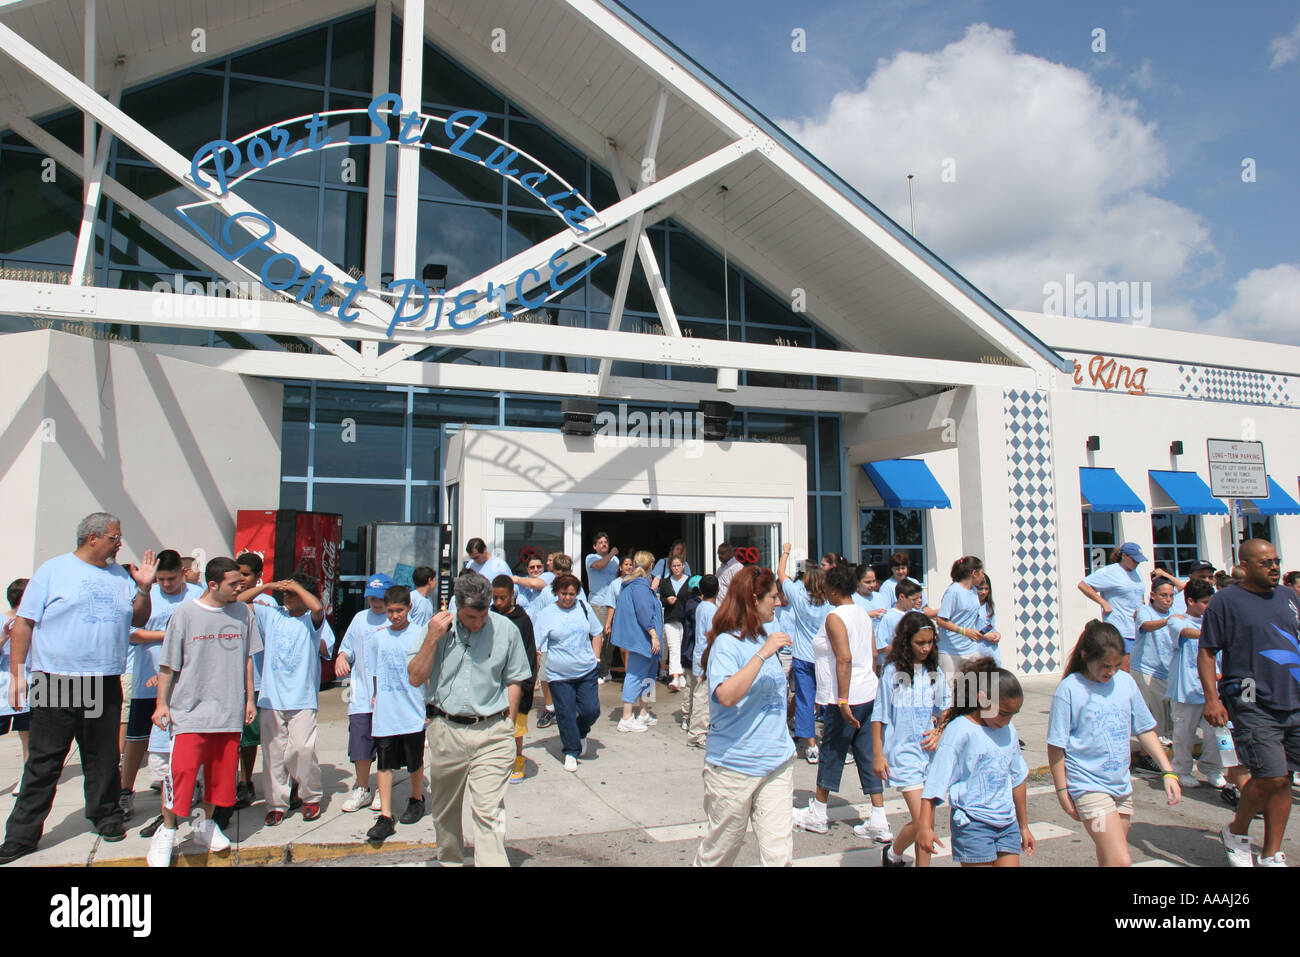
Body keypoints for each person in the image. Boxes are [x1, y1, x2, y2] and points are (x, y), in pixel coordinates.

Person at [0, 513, 156, 864]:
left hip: (102, 680)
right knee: (45, 761)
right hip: (56, 679)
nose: (119, 543)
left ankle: (106, 816)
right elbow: (24, 623)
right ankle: (22, 836)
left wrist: (144, 588)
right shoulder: (53, 571)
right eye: (115, 537)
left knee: (101, 756)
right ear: (92, 538)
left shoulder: (121, 576)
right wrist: (18, 673)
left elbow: (139, 619)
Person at [407, 572, 532, 867]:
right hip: (447, 730)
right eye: (469, 617)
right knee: (445, 810)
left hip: (492, 732)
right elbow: (415, 677)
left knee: (488, 811)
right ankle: (450, 860)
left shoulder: (506, 630)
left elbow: (515, 680)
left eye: (482, 615)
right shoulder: (437, 629)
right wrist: (431, 639)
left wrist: (508, 724)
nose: (476, 623)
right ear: (457, 607)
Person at [146, 557, 260, 867]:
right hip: (190, 712)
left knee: (220, 778)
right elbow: (168, 665)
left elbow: (248, 659)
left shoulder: (243, 613)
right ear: (213, 584)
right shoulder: (184, 614)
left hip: (228, 711)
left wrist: (250, 699)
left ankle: (204, 825)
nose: (241, 587)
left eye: (242, 581)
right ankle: (168, 831)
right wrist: (161, 704)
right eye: (234, 583)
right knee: (180, 775)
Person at [1047, 621, 1180, 867]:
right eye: (1105, 666)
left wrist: (1168, 771)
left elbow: (1144, 729)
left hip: (1120, 786)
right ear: (1086, 656)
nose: (1110, 672)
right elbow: (1056, 745)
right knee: (1121, 861)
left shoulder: (1126, 683)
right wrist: (1062, 790)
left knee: (1109, 859)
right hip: (1088, 786)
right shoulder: (1070, 689)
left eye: (1117, 666)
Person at [693, 565, 795, 867]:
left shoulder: (763, 637)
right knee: (721, 853)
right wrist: (763, 653)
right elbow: (725, 695)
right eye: (773, 597)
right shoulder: (727, 643)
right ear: (754, 598)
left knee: (779, 856)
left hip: (777, 763)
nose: (778, 603)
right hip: (734, 767)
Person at [791, 565, 890, 842]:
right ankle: (879, 818)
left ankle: (819, 812)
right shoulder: (862, 613)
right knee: (866, 753)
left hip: (842, 696)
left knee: (832, 752)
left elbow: (843, 658)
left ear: (834, 589)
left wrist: (843, 699)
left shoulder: (836, 617)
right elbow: (871, 654)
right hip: (867, 691)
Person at [917, 661, 1034, 868]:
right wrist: (925, 826)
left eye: (1012, 715)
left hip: (1007, 823)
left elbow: (1018, 779)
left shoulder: (1009, 731)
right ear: (982, 699)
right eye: (1003, 713)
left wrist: (1024, 826)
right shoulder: (960, 729)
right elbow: (935, 782)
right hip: (973, 823)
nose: (1007, 721)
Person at [241, 572, 333, 826]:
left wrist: (298, 588)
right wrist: (268, 586)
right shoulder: (272, 615)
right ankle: (276, 803)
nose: (287, 597)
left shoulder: (311, 621)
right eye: (285, 593)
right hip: (272, 698)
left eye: (292, 593)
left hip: (302, 698)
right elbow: (239, 600)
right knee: (273, 754)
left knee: (301, 749)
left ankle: (310, 796)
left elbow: (316, 607)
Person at [119, 549, 203, 823]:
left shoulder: (196, 594)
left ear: (183, 571)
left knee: (185, 738)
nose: (166, 584)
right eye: (162, 579)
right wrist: (167, 635)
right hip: (147, 679)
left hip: (187, 682)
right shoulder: (147, 596)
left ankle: (190, 786)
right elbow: (132, 633)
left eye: (171, 578)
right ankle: (125, 791)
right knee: (136, 738)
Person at [874, 611, 949, 867]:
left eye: (930, 643)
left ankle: (894, 854)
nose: (926, 648)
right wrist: (878, 754)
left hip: (929, 755)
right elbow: (879, 715)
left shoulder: (934, 671)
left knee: (925, 823)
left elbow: (946, 708)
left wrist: (940, 730)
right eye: (920, 643)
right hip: (903, 754)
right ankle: (895, 854)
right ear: (907, 642)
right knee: (922, 822)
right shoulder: (892, 672)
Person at [363, 586, 428, 843]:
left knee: (415, 759)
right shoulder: (378, 638)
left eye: (399, 610)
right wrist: (376, 702)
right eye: (390, 611)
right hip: (386, 711)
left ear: (409, 608)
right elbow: (376, 674)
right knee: (385, 762)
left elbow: (426, 671)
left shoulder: (420, 635)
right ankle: (386, 815)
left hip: (412, 708)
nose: (394, 616)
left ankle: (416, 797)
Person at [333, 573, 393, 813]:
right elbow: (346, 648)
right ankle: (362, 788)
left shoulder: (395, 619)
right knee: (360, 744)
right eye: (371, 599)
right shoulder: (359, 619)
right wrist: (341, 658)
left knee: (386, 745)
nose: (376, 604)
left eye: (380, 599)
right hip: (361, 696)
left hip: (387, 698)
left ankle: (382, 788)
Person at [531, 574, 601, 771]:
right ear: (556, 593)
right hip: (559, 675)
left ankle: (580, 732)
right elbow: (536, 644)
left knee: (591, 710)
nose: (568, 598)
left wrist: (596, 658)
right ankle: (571, 750)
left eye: (571, 594)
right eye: (563, 594)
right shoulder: (547, 614)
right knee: (566, 713)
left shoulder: (584, 608)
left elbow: (596, 632)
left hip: (586, 670)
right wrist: (534, 674)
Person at [1166, 580, 1224, 788]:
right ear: (1190, 601)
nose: (1209, 606)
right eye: (1205, 602)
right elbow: (1185, 633)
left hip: (1211, 691)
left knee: (1216, 733)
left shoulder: (1215, 623)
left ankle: (1211, 768)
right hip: (1186, 689)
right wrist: (1213, 635)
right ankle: (1181, 769)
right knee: (1184, 734)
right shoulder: (1177, 621)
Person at [777, 543, 830, 763]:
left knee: (804, 700)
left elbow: (781, 573)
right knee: (828, 701)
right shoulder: (829, 603)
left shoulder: (799, 596)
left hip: (801, 656)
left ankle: (810, 746)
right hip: (824, 657)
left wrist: (786, 552)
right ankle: (829, 741)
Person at [233, 552, 272, 807]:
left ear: (258, 577)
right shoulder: (226, 600)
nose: (241, 579)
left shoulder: (266, 603)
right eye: (238, 573)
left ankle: (246, 781)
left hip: (255, 682)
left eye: (246, 574)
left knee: (249, 739)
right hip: (226, 682)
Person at [491, 575, 537, 783]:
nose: (498, 602)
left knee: (516, 726)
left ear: (512, 596)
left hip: (517, 682)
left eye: (502, 598)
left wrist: (527, 683)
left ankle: (517, 758)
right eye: (495, 598)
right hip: (493, 682)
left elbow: (529, 652)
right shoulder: (489, 616)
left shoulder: (522, 620)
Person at [611, 551, 663, 732]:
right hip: (643, 638)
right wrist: (653, 634)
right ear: (651, 566)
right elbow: (644, 612)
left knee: (649, 676)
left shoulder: (634, 584)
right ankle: (626, 717)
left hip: (644, 638)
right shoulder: (639, 586)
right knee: (635, 675)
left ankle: (643, 713)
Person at [1078, 543, 1148, 664]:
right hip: (1120, 629)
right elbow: (1083, 585)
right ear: (1124, 556)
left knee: (1136, 670)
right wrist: (1103, 603)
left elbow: (1139, 593)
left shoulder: (1137, 572)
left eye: (1139, 561)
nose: (1137, 563)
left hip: (1137, 628)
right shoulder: (1110, 572)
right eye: (1134, 560)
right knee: (1125, 669)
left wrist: (1143, 607)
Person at [935, 556, 998, 678]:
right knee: (950, 691)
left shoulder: (974, 591)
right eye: (981, 573)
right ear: (974, 573)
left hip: (971, 649)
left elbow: (976, 618)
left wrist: (987, 632)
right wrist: (964, 631)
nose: (983, 576)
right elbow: (940, 620)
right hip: (950, 651)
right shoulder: (953, 591)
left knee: (972, 689)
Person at [1130, 580, 1176, 749]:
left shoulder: (1175, 612)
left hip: (1167, 669)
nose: (1168, 599)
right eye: (1164, 595)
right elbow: (1145, 626)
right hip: (1146, 668)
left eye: (1171, 596)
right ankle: (1150, 749)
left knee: (1168, 711)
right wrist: (1167, 622)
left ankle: (1165, 741)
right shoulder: (1144, 611)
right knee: (1151, 711)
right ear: (1153, 596)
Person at [0, 580, 31, 795]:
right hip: (4, 687)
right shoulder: (3, 619)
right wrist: (5, 636)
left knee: (28, 734)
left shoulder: (34, 621)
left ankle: (26, 777)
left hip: (29, 686)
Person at [685, 575, 718, 748]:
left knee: (699, 694)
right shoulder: (711, 610)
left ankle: (699, 728)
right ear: (718, 590)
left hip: (701, 656)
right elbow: (713, 635)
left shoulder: (701, 607)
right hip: (705, 658)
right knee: (702, 697)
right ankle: (697, 734)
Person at [585, 533, 620, 682]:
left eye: (606, 542)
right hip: (597, 603)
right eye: (600, 542)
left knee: (611, 639)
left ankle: (606, 670)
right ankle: (599, 671)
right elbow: (600, 566)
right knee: (599, 636)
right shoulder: (591, 558)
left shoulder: (616, 560)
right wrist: (611, 553)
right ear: (595, 546)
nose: (604, 544)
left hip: (613, 603)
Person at [874, 580, 922, 671]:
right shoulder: (889, 617)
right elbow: (880, 646)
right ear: (902, 597)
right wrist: (904, 650)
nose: (917, 602)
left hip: (915, 664)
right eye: (914, 599)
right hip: (896, 666)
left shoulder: (916, 614)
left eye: (919, 598)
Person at [658, 556, 691, 691]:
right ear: (670, 568)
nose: (676, 568)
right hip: (670, 618)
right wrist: (667, 600)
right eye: (674, 566)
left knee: (683, 647)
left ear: (683, 566)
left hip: (685, 619)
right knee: (673, 647)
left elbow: (693, 598)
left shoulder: (689, 581)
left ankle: (682, 675)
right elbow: (660, 599)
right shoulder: (665, 582)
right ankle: (676, 677)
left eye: (679, 565)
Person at [973, 573, 1001, 665]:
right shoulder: (970, 606)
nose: (984, 592)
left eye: (986, 589)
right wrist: (984, 635)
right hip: (976, 650)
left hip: (990, 650)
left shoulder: (988, 606)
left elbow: (990, 625)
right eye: (980, 589)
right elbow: (968, 629)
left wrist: (996, 634)